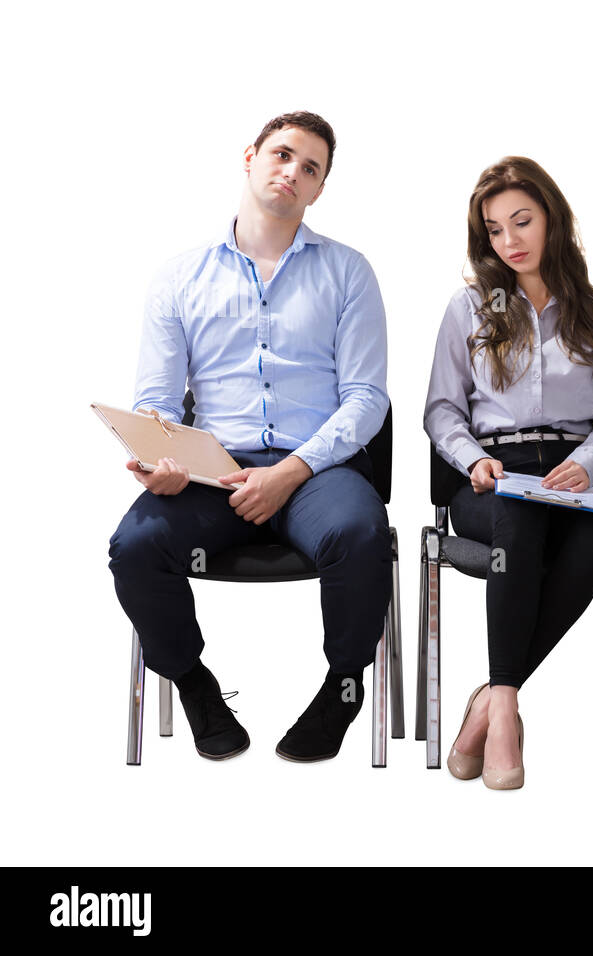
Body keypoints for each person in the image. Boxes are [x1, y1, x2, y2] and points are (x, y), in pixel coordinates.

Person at [108, 111, 392, 763]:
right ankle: (192, 682)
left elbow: (366, 398)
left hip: (317, 470)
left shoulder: (349, 273)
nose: (293, 171)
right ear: (251, 156)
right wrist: (165, 464)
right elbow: (153, 405)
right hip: (214, 474)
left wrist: (290, 470)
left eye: (311, 167)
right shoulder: (179, 278)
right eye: (284, 154)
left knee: (360, 533)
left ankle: (342, 689)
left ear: (319, 190)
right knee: (136, 546)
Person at [425, 156, 593, 790]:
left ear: (553, 219)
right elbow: (441, 411)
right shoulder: (470, 310)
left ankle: (491, 699)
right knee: (518, 525)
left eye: (522, 221)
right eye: (494, 229)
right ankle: (509, 713)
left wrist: (586, 463)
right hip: (494, 474)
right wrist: (476, 460)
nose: (510, 241)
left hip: (576, 471)